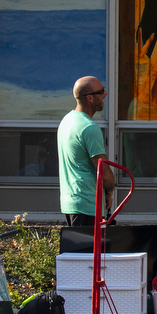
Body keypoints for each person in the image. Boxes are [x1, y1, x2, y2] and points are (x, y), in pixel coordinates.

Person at [59, 75, 109, 231]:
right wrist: (110, 189)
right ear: (90, 98)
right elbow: (103, 170)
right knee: (88, 254)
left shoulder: (67, 121)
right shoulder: (89, 128)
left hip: (71, 202)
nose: (105, 94)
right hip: (88, 204)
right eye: (101, 91)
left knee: (77, 254)